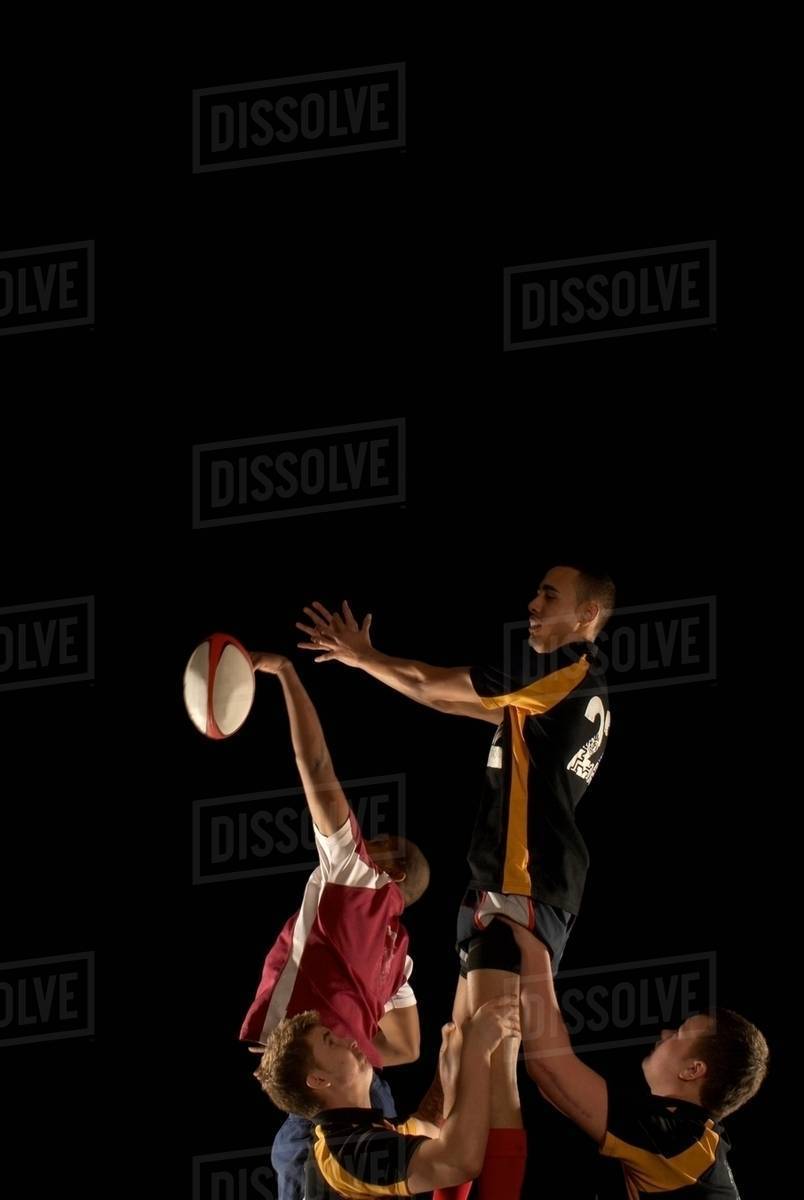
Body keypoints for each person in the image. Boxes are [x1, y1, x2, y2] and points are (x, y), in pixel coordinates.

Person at [296, 562, 616, 1198]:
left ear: (586, 617)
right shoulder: (539, 698)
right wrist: (364, 663)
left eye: (549, 593)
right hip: (503, 889)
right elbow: (437, 695)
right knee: (462, 1065)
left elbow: (428, 679)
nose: (532, 602)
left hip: (524, 889)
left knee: (495, 1071)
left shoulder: (565, 670)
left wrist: (365, 654)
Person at [240, 651, 430, 1200]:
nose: (366, 841)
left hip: (326, 1117)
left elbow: (316, 767)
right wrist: (343, 1050)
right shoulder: (400, 953)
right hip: (372, 1106)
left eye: (380, 844)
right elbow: (407, 1046)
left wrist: (286, 675)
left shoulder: (355, 877)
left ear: (389, 868)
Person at [510, 920, 769, 1198]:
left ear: (693, 1070)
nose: (665, 1032)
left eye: (679, 1032)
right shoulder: (690, 1141)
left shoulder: (681, 1144)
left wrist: (531, 934)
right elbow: (555, 1088)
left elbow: (551, 1071)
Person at [254, 996, 519, 1198]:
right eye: (330, 1041)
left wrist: (447, 1069)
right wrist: (476, 1051)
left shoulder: (353, 1134)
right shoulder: (346, 1151)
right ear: (319, 1080)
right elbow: (459, 1161)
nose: (350, 1040)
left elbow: (429, 1124)